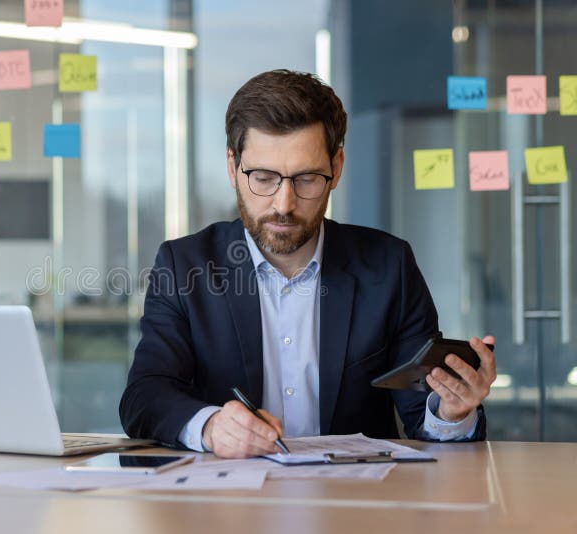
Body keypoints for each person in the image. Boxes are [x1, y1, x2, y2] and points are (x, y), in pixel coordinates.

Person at [119, 69, 497, 459]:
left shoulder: (388, 267)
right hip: (230, 493)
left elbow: (424, 414)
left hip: (358, 492)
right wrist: (211, 427)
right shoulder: (183, 266)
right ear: (233, 167)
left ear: (337, 167)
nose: (284, 204)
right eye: (263, 178)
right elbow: (145, 396)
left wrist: (451, 411)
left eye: (307, 179)